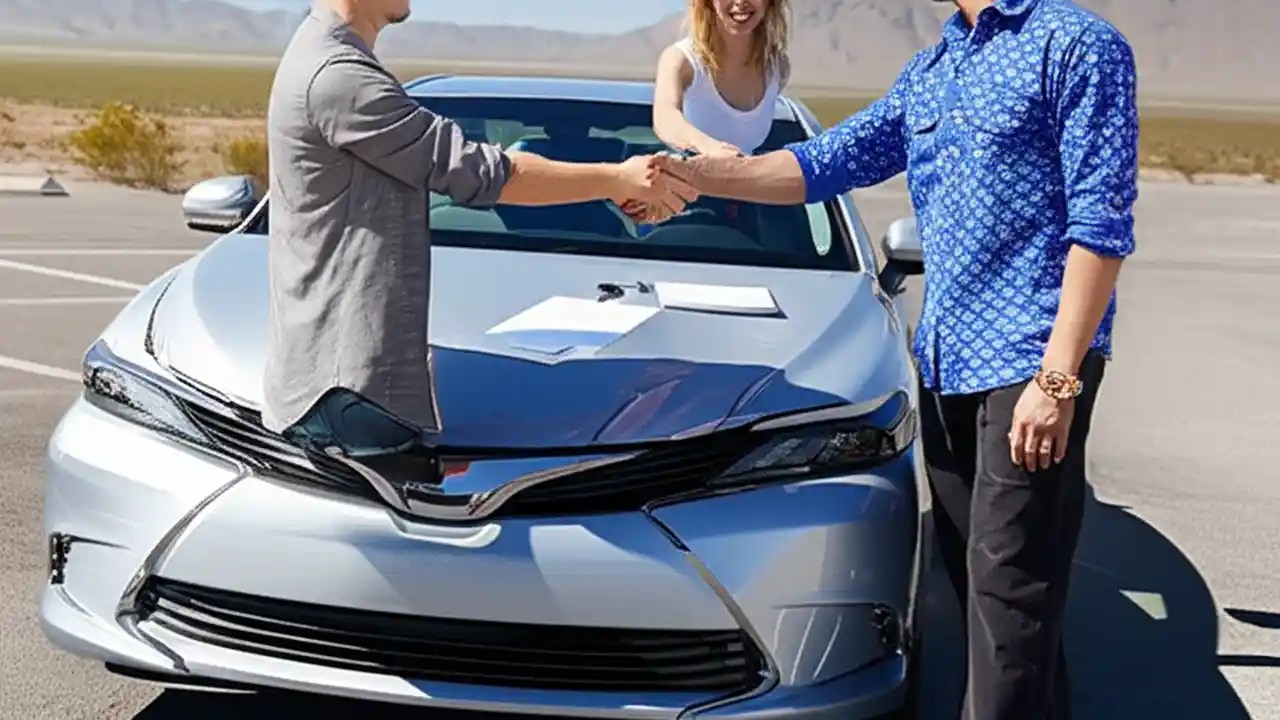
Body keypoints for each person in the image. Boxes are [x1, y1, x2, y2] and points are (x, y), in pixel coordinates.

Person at [660, 0, 1139, 717]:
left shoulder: (1077, 45)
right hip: (948, 359)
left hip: (1029, 364)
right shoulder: (933, 69)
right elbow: (824, 163)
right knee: (993, 599)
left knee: (1009, 592)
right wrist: (691, 176)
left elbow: (1101, 225)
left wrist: (1058, 378)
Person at [262, 0, 696, 462]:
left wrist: (617, 182)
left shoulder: (324, 58)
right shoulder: (338, 76)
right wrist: (619, 180)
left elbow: (484, 167)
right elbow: (484, 174)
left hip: (337, 385)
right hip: (348, 392)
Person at [652, 0, 791, 157]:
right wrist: (709, 147)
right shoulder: (682, 60)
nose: (740, 2)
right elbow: (665, 117)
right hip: (692, 178)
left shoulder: (777, 67)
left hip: (745, 179)